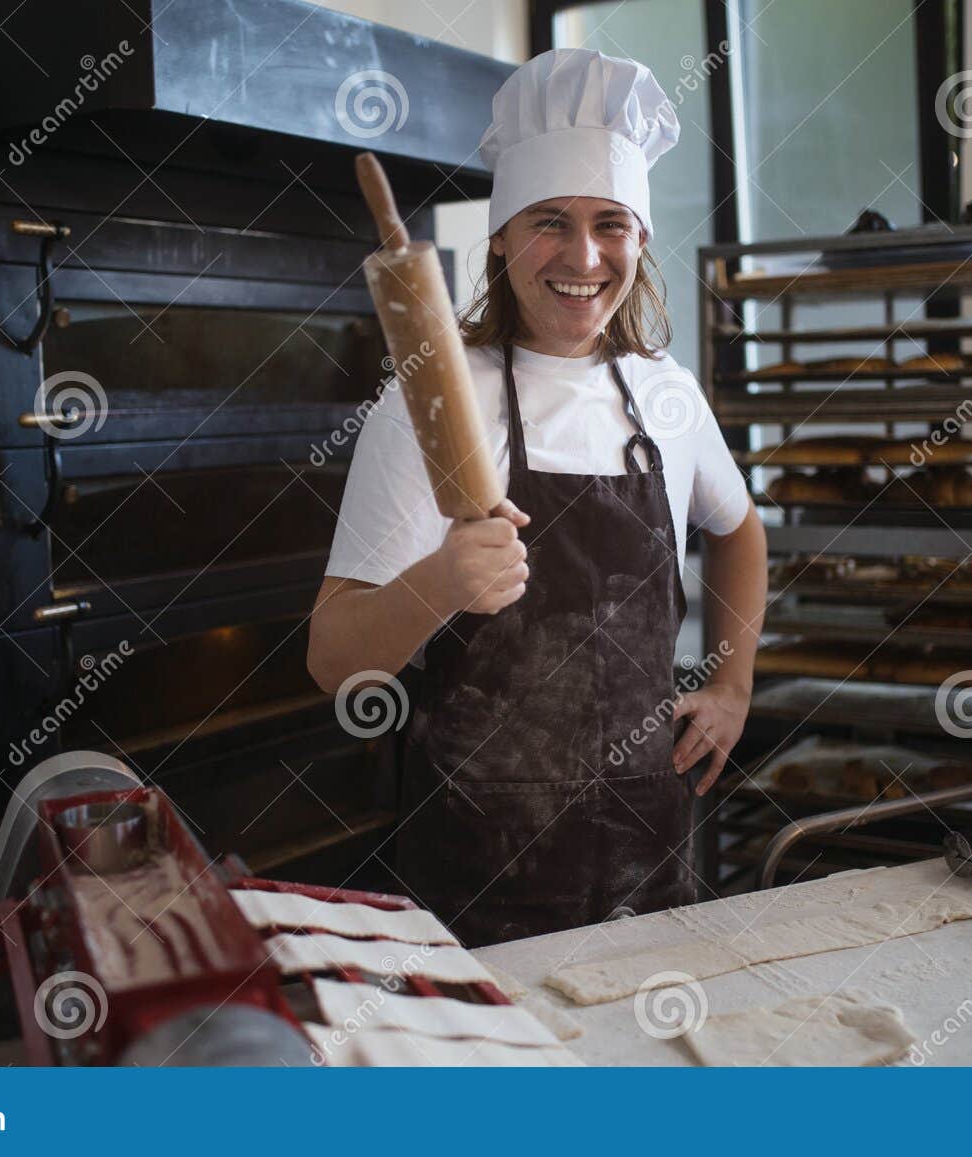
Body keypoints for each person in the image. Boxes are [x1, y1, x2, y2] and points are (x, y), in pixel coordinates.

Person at [308, 48, 766, 945]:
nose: (584, 255)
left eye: (611, 224)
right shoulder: (431, 398)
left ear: (640, 238)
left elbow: (740, 532)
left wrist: (735, 682)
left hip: (649, 856)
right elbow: (334, 659)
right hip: (480, 880)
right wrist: (440, 581)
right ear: (502, 237)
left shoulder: (666, 391)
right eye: (550, 221)